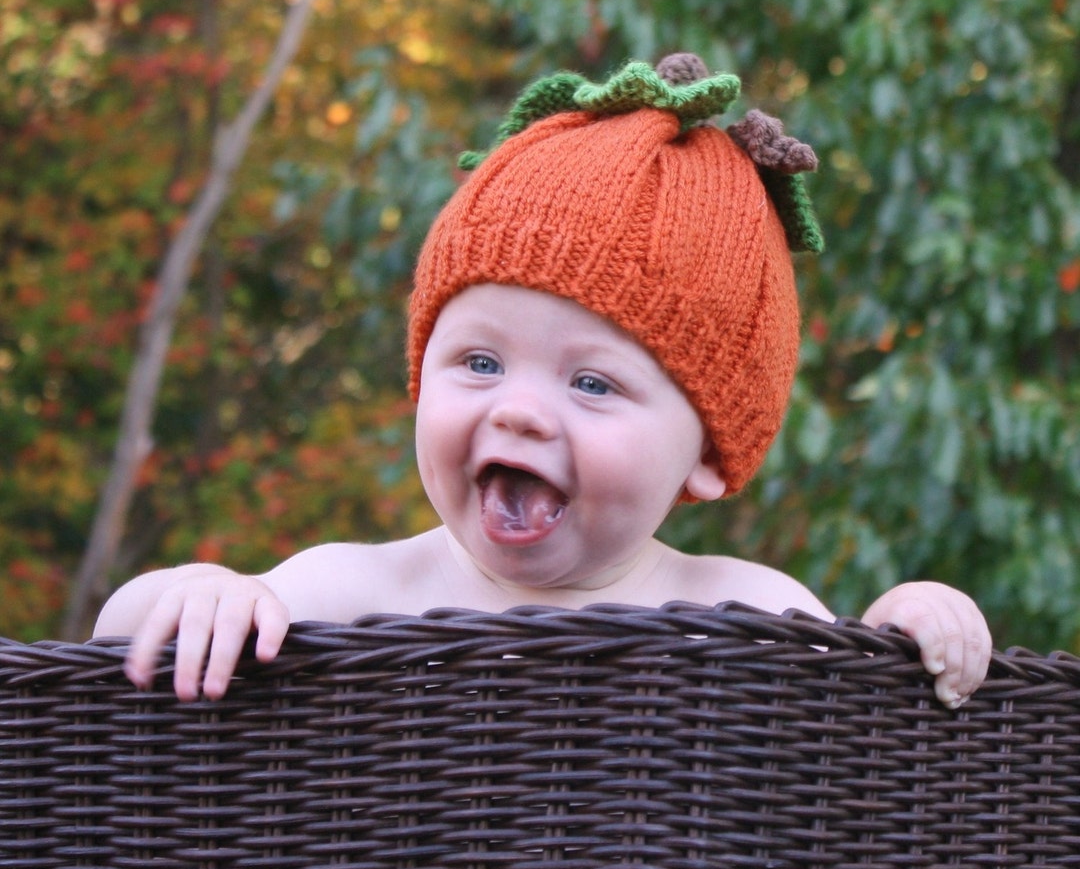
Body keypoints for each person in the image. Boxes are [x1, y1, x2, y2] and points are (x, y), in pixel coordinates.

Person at [95, 54, 991, 707]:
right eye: (480, 363)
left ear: (707, 452)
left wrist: (907, 627)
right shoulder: (357, 592)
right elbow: (118, 640)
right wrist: (208, 592)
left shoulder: (740, 610)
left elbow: (856, 721)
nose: (518, 410)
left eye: (594, 384)